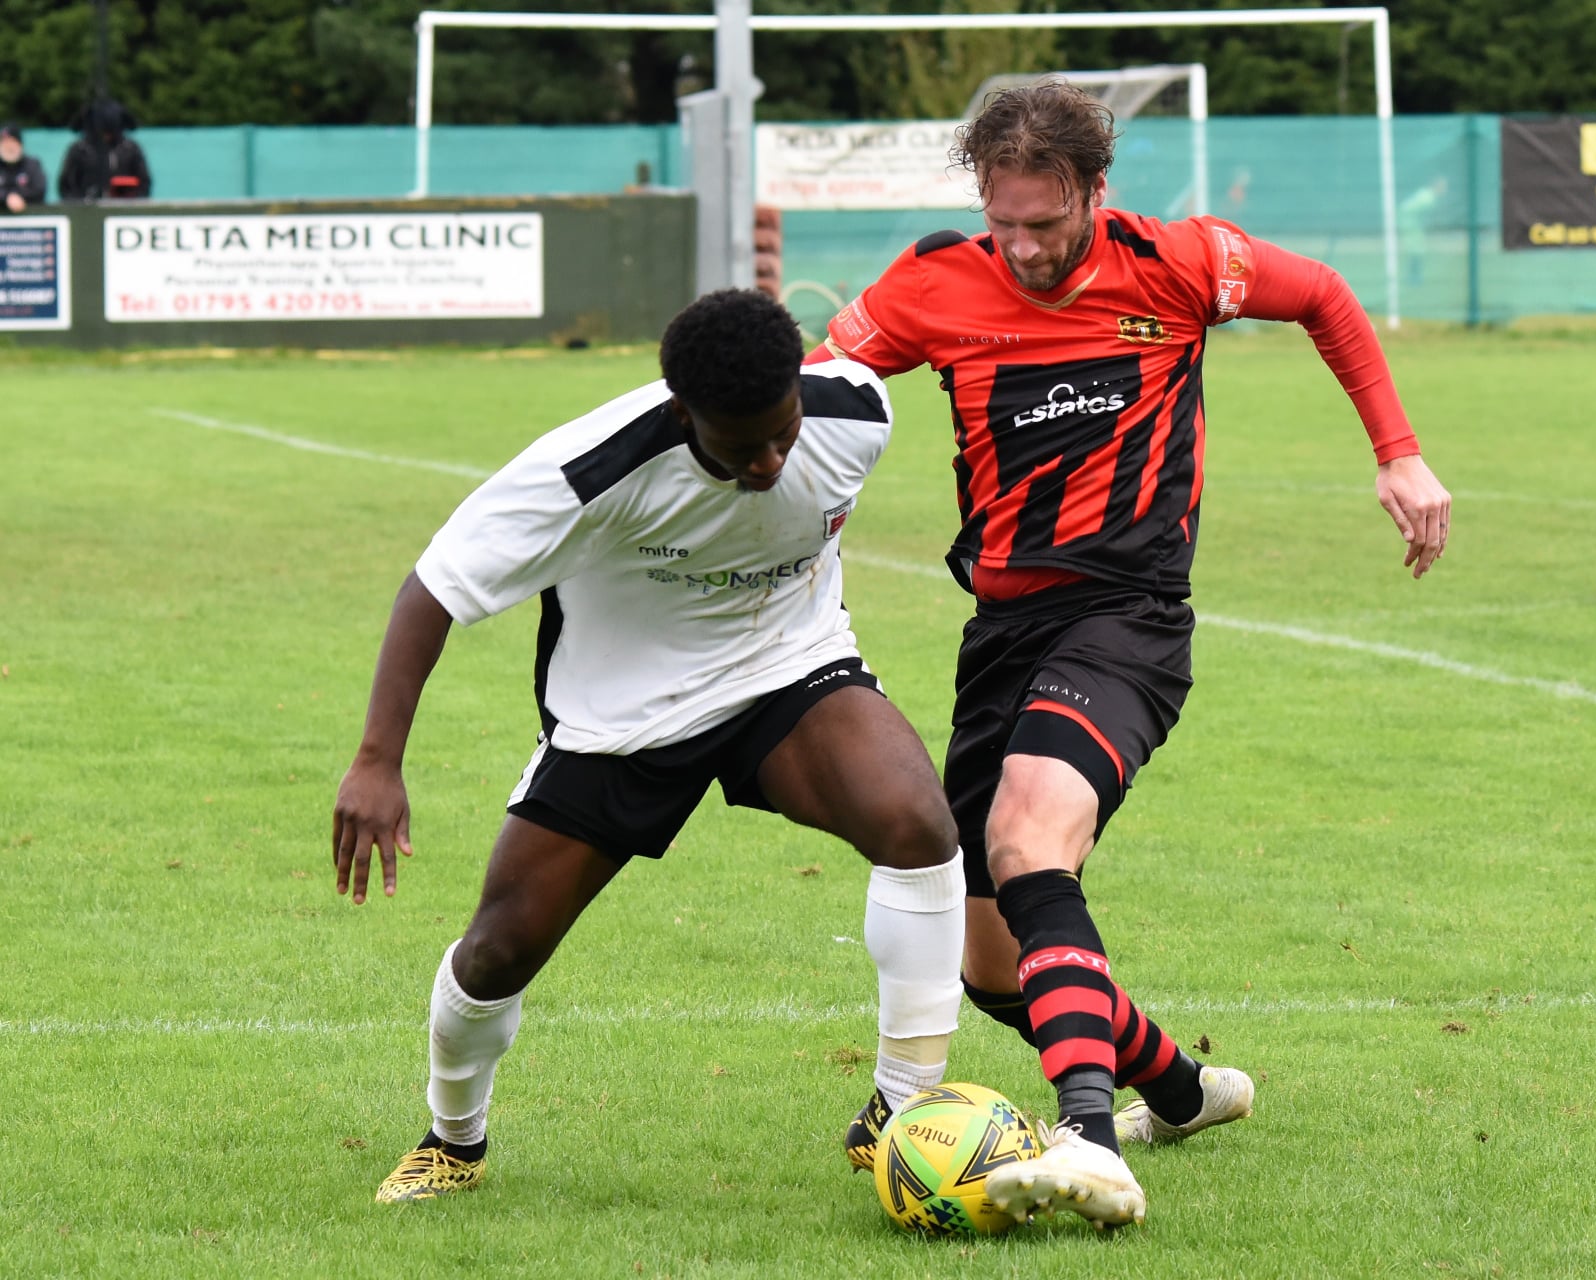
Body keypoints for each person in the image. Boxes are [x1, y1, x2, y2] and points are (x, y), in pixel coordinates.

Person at [815, 81, 1450, 1228]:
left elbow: (1324, 296)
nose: (1022, 246)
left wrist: (1396, 451)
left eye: (1045, 222)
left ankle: (1092, 1141)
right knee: (989, 963)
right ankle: (1181, 1089)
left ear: (1095, 192)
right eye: (1002, 221)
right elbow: (822, 392)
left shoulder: (1180, 262)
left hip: (1128, 617)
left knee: (1027, 838)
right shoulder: (935, 283)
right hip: (1000, 632)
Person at [332, 288, 966, 1203]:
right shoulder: (587, 472)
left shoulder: (856, 414)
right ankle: (454, 1139)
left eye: (782, 433)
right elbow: (432, 591)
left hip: (787, 670)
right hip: (623, 717)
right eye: (741, 447)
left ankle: (904, 1120)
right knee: (499, 950)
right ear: (682, 416)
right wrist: (377, 761)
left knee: (917, 823)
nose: (769, 462)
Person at [57, 98, 151, 201]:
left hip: (124, 206)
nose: (106, 137)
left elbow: (144, 184)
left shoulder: (129, 149)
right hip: (87, 206)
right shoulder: (80, 150)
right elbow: (66, 187)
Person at [0, 124, 48, 212]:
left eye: (12, 141)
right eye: (4, 142)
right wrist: (7, 197)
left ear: (19, 143)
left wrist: (19, 196)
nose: (8, 146)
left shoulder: (32, 165)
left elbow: (40, 190)